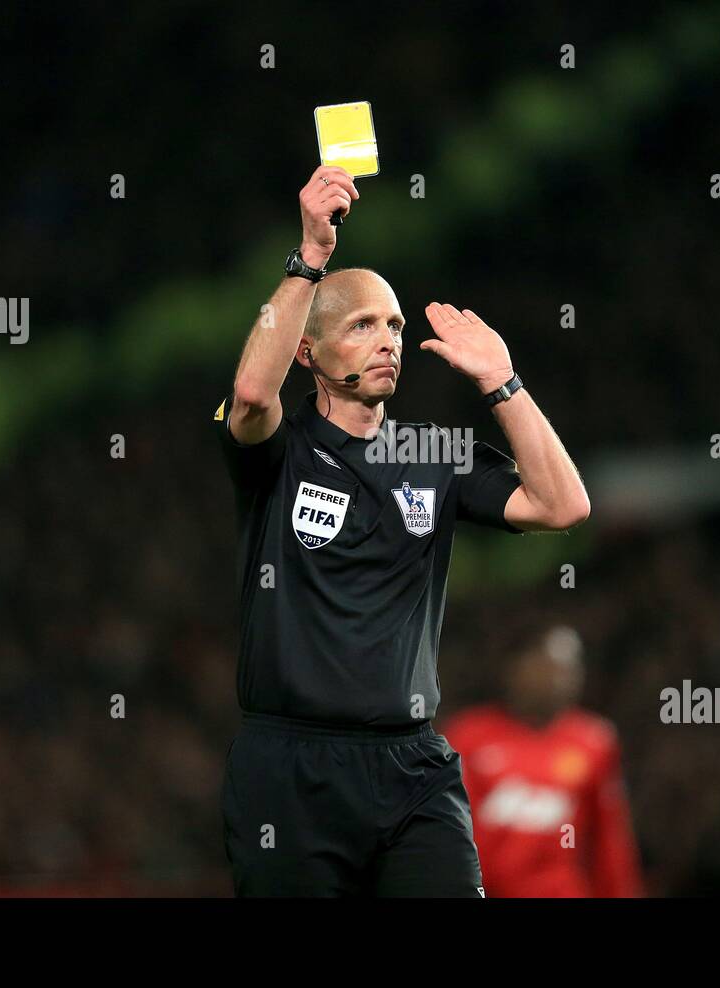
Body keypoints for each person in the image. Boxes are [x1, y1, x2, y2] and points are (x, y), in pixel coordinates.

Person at [214, 165, 591, 896]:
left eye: (393, 324)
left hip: (410, 766)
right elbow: (252, 393)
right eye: (361, 325)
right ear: (309, 353)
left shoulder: (431, 453)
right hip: (291, 769)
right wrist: (310, 259)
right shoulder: (279, 451)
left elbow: (563, 505)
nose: (387, 339)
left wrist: (503, 383)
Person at [442, 625, 644, 897]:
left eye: (570, 669)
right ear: (516, 668)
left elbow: (610, 842)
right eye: (548, 666)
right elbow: (445, 830)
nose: (560, 679)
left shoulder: (594, 741)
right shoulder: (468, 736)